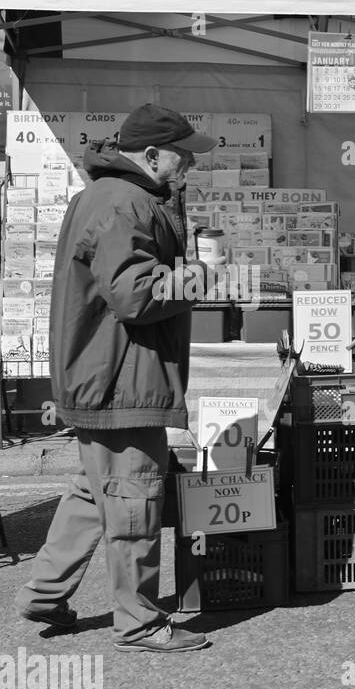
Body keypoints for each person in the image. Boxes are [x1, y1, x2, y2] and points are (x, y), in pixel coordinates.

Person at [15, 104, 216, 653]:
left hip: (101, 374)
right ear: (151, 156)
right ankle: (141, 622)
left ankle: (45, 591)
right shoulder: (125, 203)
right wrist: (194, 277)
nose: (191, 164)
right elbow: (135, 294)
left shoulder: (107, 196)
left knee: (92, 490)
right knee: (133, 498)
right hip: (121, 379)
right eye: (185, 154)